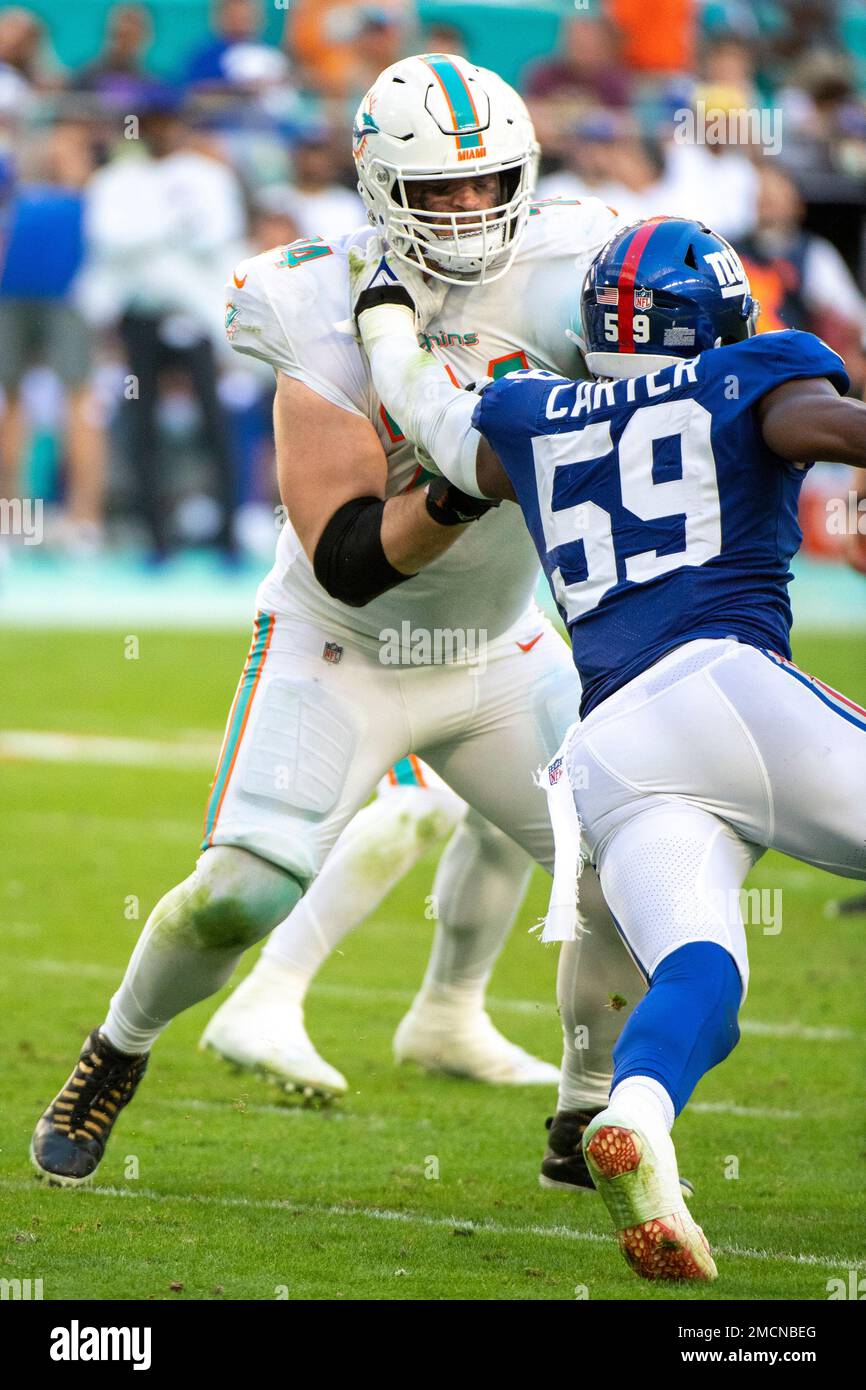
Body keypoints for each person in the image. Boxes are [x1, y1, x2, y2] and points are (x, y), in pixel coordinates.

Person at [30, 55, 639, 1190]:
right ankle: (118, 1046)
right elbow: (353, 562)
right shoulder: (312, 295)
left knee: (625, 862)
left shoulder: (580, 261)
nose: (466, 210)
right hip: (339, 647)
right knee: (239, 892)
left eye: (486, 182)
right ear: (375, 187)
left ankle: (583, 1103)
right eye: (436, 191)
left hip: (502, 650)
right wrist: (473, 471)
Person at [349, 214, 866, 1279]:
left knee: (698, 972)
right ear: (718, 315)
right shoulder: (752, 375)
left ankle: (636, 1122)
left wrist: (384, 323)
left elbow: (433, 418)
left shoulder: (530, 414)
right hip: (720, 685)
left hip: (606, 750)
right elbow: (834, 428)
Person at [202, 755, 559, 1093]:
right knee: (424, 800)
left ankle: (449, 1015)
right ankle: (269, 990)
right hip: (405, 690)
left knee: (510, 812)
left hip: (493, 688)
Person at [78, 88, 246, 559]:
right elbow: (109, 237)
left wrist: (155, 234)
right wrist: (171, 228)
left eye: (166, 122)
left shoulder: (208, 175)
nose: (159, 132)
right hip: (141, 314)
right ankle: (155, 537)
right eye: (148, 123)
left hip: (196, 315)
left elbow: (220, 234)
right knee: (142, 423)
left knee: (214, 423)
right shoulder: (117, 178)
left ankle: (228, 535)